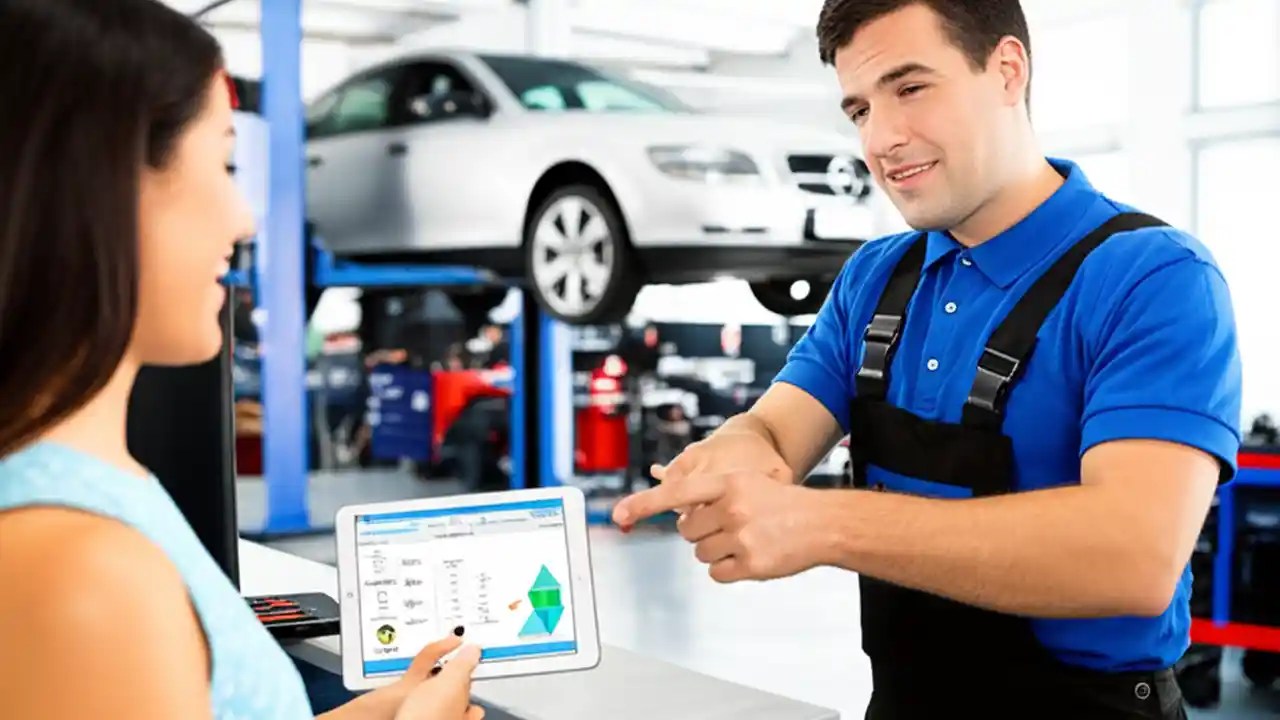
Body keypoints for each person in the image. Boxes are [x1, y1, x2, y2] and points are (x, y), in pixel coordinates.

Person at [612, 1, 1241, 718]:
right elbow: (777, 431)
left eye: (911, 89)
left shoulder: (1153, 278)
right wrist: (736, 450)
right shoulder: (875, 277)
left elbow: (1132, 558)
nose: (882, 138)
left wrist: (822, 525)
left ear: (1007, 70)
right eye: (858, 109)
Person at [0, 1, 483, 718]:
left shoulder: (98, 498)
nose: (244, 218)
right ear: (103, 190)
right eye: (223, 162)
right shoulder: (83, 578)